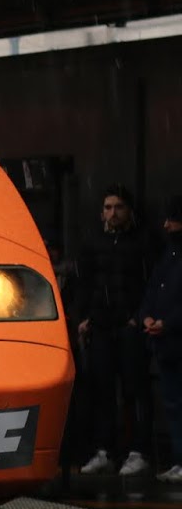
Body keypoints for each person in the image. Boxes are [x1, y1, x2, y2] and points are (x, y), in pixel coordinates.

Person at [72, 185, 155, 476]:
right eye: (108, 207)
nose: (112, 213)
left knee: (134, 389)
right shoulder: (93, 242)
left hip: (129, 325)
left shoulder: (142, 242)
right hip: (101, 325)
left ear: (129, 210)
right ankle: (104, 450)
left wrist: (140, 317)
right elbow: (85, 283)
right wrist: (84, 317)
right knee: (102, 390)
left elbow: (150, 283)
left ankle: (138, 450)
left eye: (118, 207)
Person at [139, 196, 182, 482]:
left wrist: (165, 322)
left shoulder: (171, 255)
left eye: (173, 219)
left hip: (174, 338)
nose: (167, 225)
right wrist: (148, 316)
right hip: (167, 342)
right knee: (173, 405)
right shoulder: (169, 255)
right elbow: (153, 290)